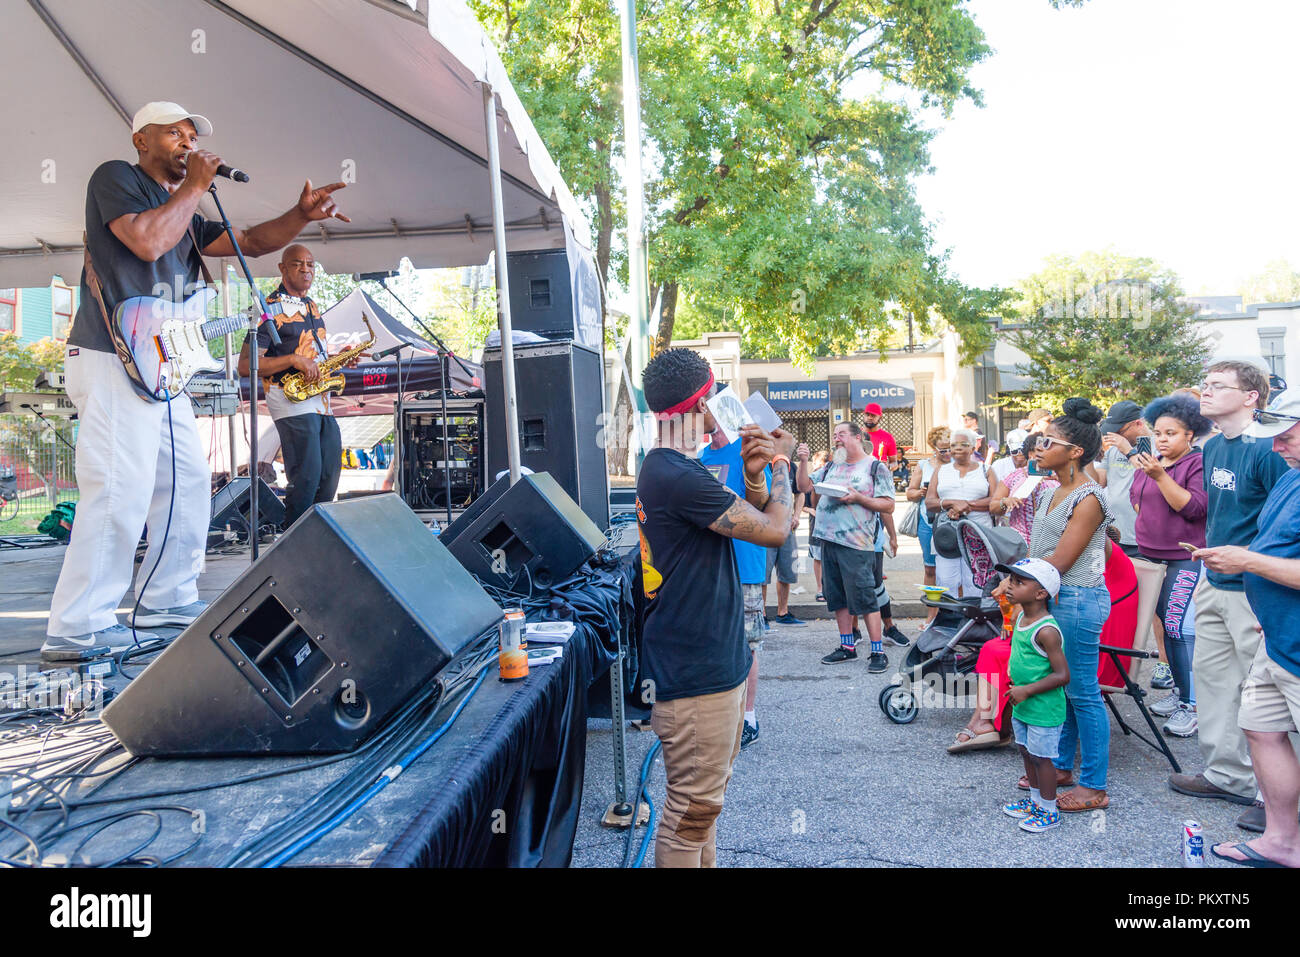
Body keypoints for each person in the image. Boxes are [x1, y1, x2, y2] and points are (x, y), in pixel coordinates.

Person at [43, 102, 349, 660]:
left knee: (186, 481)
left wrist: (300, 215)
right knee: (119, 487)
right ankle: (77, 625)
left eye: (192, 136)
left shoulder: (184, 208)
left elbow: (250, 242)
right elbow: (147, 242)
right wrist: (195, 186)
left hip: (163, 367)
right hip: (112, 356)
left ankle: (167, 598)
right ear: (141, 139)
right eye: (175, 134)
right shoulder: (116, 178)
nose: (188, 143)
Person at [635, 348, 795, 867]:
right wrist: (783, 463)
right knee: (690, 814)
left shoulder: (674, 468)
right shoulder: (678, 476)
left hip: (706, 664)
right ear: (702, 405)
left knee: (703, 810)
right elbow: (774, 529)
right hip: (696, 673)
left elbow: (751, 512)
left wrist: (755, 475)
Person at [1169, 361, 1289, 808]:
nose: (1206, 392)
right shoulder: (1213, 447)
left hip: (1256, 589)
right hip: (1213, 580)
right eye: (1205, 384)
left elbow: (1285, 525)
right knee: (1214, 681)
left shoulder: (1271, 449)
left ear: (1251, 396)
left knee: (1267, 693)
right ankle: (1227, 775)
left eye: (1218, 386)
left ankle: (1273, 797)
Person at [1200, 390, 1300, 866]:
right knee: (1260, 729)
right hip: (1277, 638)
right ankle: (1281, 842)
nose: (1275, 447)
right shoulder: (1291, 477)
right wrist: (1267, 609)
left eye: (1286, 437)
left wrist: (1246, 562)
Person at [1010, 398, 1114, 814]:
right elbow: (1040, 550)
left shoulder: (1088, 497)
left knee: (1083, 692)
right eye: (1040, 440)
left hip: (1077, 596)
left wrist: (1017, 582)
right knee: (1064, 689)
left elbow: (1061, 561)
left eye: (1048, 441)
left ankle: (1095, 785)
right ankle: (1061, 767)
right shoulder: (1051, 491)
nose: (1038, 447)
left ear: (1075, 452)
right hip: (1051, 595)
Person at [238, 245, 361, 529]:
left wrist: (338, 358)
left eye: (311, 264)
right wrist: (293, 359)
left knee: (328, 477)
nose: (306, 269)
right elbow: (245, 364)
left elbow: (311, 358)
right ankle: (293, 541)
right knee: (306, 478)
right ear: (282, 268)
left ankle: (317, 538)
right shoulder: (267, 308)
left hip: (321, 402)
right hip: (290, 400)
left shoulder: (311, 306)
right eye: (298, 264)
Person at [1128, 394, 1212, 737]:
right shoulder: (1154, 462)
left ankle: (1193, 706)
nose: (1162, 439)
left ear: (1190, 434)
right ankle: (1181, 693)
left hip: (1183, 558)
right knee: (1164, 626)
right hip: (1150, 557)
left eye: (1171, 433)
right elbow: (1136, 499)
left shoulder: (1197, 463)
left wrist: (1160, 476)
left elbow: (1193, 508)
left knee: (1178, 628)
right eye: (1158, 433)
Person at [796, 423, 895, 672]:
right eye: (834, 435)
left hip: (856, 543)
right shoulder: (832, 466)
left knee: (865, 598)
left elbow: (888, 505)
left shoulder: (875, 467)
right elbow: (804, 486)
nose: (836, 439)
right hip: (828, 540)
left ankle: (877, 651)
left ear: (857, 437)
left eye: (841, 434)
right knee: (837, 597)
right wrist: (804, 462)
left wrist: (858, 498)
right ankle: (847, 646)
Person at [699, 429, 774, 750]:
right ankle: (723, 715)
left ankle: (748, 718)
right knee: (715, 644)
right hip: (710, 569)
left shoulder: (745, 451)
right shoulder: (702, 457)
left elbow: (765, 507)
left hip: (744, 565)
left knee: (747, 645)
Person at [997, 559, 1070, 833]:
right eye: (1011, 580)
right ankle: (1035, 801)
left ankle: (1049, 810)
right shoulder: (1020, 617)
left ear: (1040, 593)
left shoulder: (1047, 631)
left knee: (1042, 759)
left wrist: (1026, 689)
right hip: (1023, 704)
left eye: (1019, 582)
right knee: (1027, 753)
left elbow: (1062, 675)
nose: (1010, 586)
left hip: (1043, 708)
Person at [925, 428, 991, 597]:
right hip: (947, 534)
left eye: (963, 444)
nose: (958, 448)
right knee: (946, 581)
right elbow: (930, 502)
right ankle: (949, 614)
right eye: (954, 445)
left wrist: (967, 505)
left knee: (975, 583)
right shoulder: (941, 471)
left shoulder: (986, 470)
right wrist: (950, 503)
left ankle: (974, 614)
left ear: (973, 448)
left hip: (978, 534)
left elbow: (995, 501)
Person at [907, 426, 951, 619]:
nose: (948, 453)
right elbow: (910, 493)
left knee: (952, 568)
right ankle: (932, 615)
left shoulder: (958, 465)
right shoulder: (924, 465)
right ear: (934, 447)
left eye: (951, 448)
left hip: (951, 522)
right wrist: (920, 493)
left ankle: (950, 613)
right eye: (943, 450)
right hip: (927, 521)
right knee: (930, 568)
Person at [990, 434, 1059, 547]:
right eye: (1039, 450)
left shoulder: (1059, 475)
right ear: (1030, 454)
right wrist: (1005, 502)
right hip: (1020, 543)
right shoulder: (1014, 477)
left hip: (1052, 544)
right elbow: (993, 507)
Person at [806, 449, 829, 600]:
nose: (819, 468)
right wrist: (811, 510)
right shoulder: (810, 481)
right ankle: (820, 588)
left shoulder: (831, 479)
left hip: (830, 523)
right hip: (816, 523)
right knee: (818, 557)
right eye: (817, 465)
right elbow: (802, 503)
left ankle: (829, 587)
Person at [862, 403, 899, 469]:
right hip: (859, 474)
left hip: (880, 474)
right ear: (864, 416)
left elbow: (894, 463)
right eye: (867, 415)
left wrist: (887, 466)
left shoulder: (888, 437)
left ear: (880, 418)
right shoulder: (855, 435)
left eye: (873, 415)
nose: (869, 418)